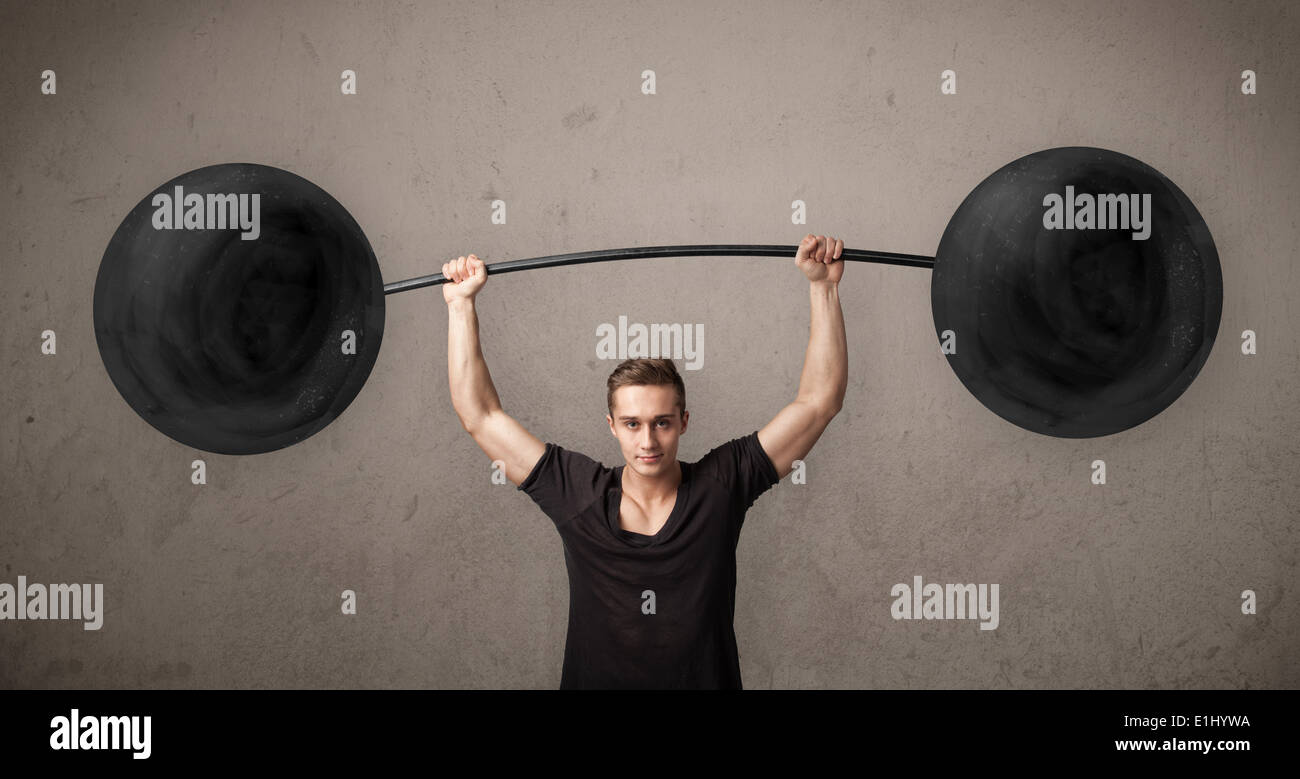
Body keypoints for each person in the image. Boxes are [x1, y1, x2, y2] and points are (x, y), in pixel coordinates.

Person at [443, 234, 847, 689]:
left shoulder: (721, 486)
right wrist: (461, 306)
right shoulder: (577, 493)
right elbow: (479, 415)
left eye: (662, 423)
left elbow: (819, 402)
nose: (648, 441)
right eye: (632, 424)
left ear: (684, 422)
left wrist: (823, 288)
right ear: (612, 426)